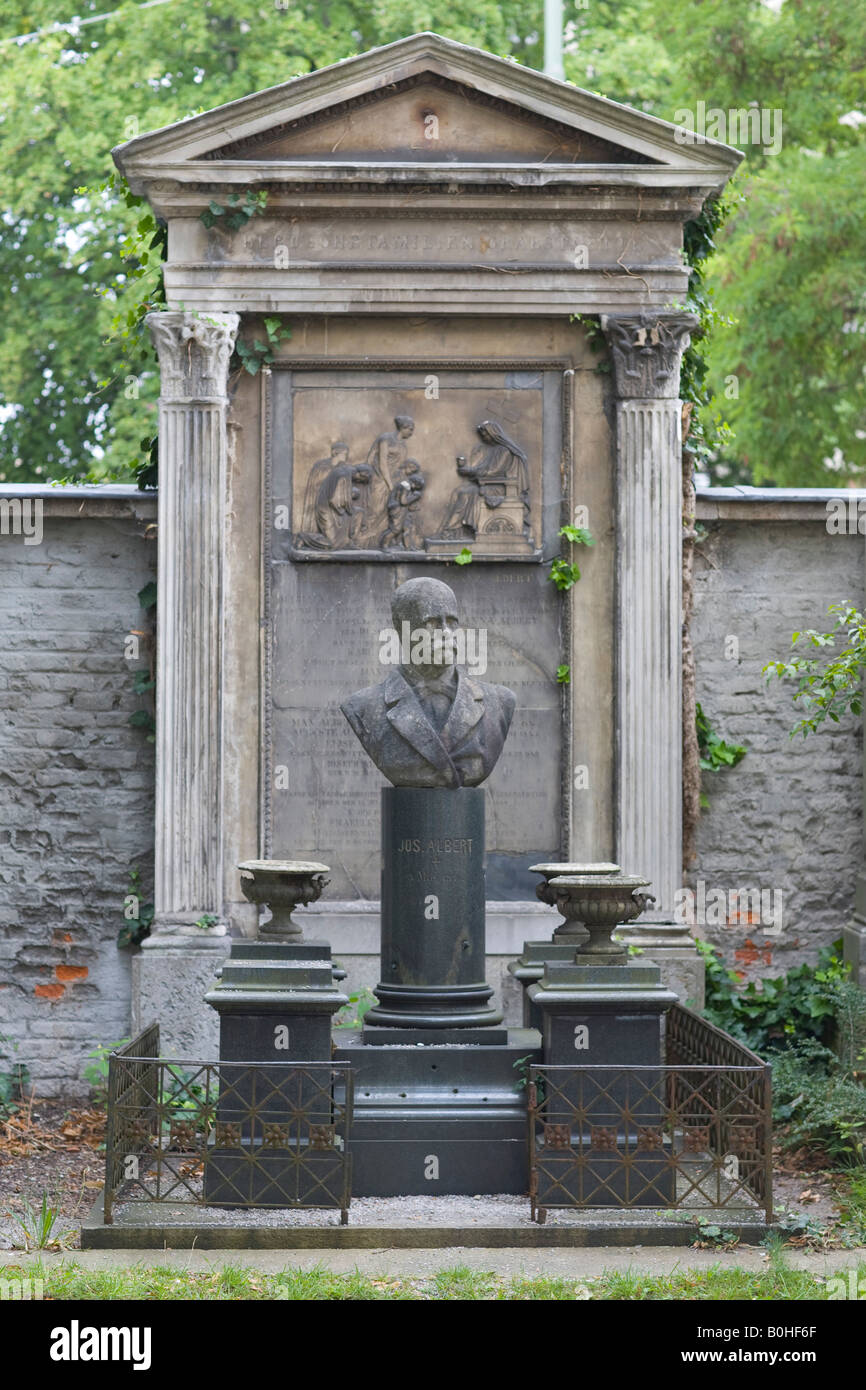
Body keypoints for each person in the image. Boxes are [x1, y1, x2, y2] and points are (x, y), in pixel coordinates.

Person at [341, 577, 516, 788]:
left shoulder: (500, 702)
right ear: (401, 629)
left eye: (452, 623)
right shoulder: (364, 707)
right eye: (431, 623)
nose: (446, 634)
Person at [437, 419, 529, 539]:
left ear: (493, 433)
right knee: (458, 491)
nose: (484, 437)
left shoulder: (504, 451)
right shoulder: (495, 450)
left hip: (500, 488)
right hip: (489, 484)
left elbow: (493, 472)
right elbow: (484, 468)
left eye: (485, 434)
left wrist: (470, 471)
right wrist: (469, 470)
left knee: (465, 494)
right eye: (482, 435)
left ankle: (452, 530)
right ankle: (451, 529)